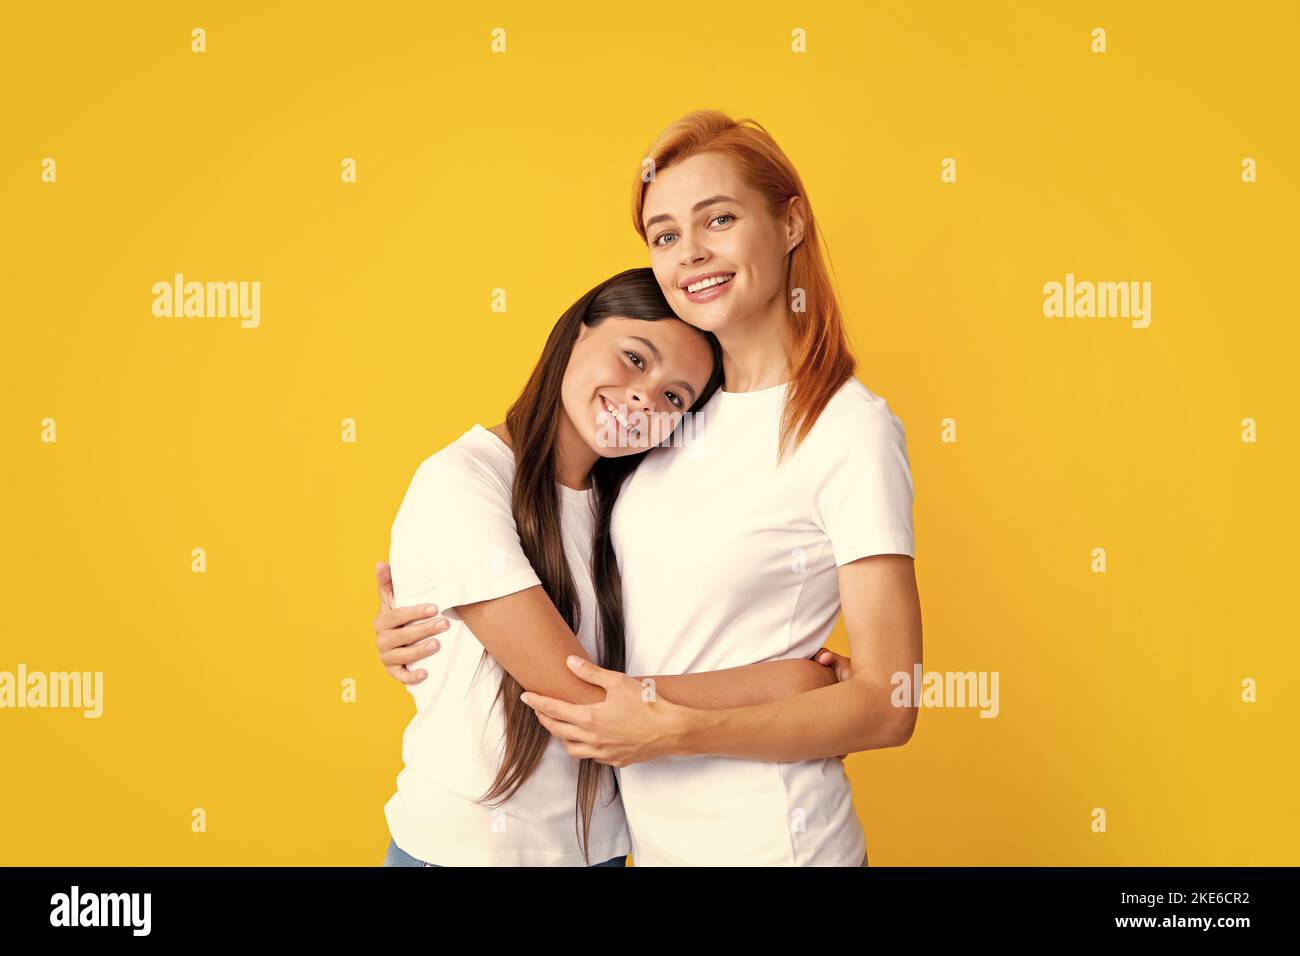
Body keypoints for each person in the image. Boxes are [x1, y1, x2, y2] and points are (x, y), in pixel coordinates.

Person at [377, 111, 922, 866]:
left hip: (775, 839)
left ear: (791, 221)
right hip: (647, 843)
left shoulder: (847, 429)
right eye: (665, 235)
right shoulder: (671, 427)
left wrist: (678, 722)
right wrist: (429, 619)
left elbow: (890, 703)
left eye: (719, 219)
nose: (691, 251)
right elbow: (570, 597)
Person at [379, 266, 848, 867]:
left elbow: (675, 644)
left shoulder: (631, 506)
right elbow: (584, 699)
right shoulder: (460, 482)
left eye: (675, 396)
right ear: (576, 333)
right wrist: (788, 686)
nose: (644, 399)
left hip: (602, 848)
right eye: (634, 358)